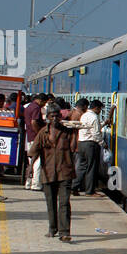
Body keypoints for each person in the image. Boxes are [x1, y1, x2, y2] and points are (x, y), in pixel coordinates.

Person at [32, 101, 77, 242]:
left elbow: (73, 149)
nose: (55, 119)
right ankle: (52, 228)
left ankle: (64, 232)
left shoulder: (67, 132)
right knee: (50, 202)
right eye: (52, 116)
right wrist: (30, 168)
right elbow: (34, 151)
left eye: (57, 116)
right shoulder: (43, 133)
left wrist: (75, 132)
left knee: (64, 202)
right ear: (47, 117)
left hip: (65, 171)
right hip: (48, 172)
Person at [72, 99, 103, 195]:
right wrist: (102, 143)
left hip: (81, 143)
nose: (100, 111)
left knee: (82, 167)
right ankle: (90, 191)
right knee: (91, 168)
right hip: (90, 144)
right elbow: (96, 133)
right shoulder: (94, 117)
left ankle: (74, 187)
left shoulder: (84, 115)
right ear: (96, 108)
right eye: (100, 109)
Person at [23, 93, 46, 190]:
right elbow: (34, 122)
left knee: (31, 161)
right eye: (44, 103)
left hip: (29, 136)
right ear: (40, 100)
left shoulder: (29, 107)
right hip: (34, 137)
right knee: (38, 161)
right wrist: (39, 134)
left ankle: (28, 183)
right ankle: (36, 184)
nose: (44, 105)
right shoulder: (36, 108)